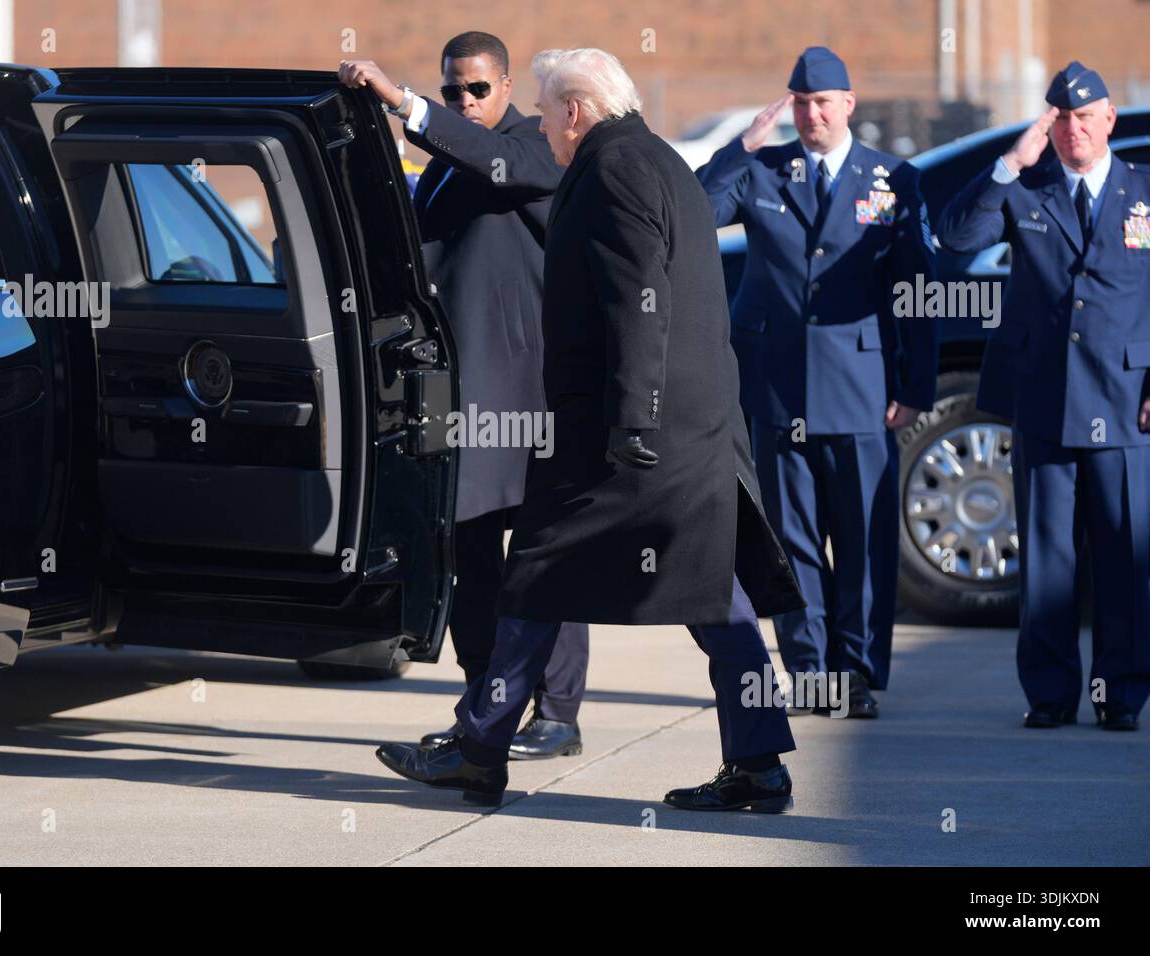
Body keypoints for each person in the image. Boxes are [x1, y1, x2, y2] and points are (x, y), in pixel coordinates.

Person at [375, 47, 805, 810]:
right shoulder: (653, 156)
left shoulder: (615, 168)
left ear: (575, 110)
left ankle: (480, 749)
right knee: (707, 596)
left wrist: (632, 421)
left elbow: (638, 299)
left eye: (544, 110)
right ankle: (758, 763)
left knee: (539, 573)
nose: (542, 124)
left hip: (632, 435)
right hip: (682, 427)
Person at [338, 32, 589, 760]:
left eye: (478, 89)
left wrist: (406, 106)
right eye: (453, 91)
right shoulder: (448, 161)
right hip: (463, 397)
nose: (466, 103)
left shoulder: (533, 146)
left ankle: (558, 713)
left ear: (507, 86)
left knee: (544, 557)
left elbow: (500, 164)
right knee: (468, 556)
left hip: (530, 397)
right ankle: (484, 708)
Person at [696, 47, 938, 718]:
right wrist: (738, 149)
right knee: (793, 541)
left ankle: (856, 671)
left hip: (862, 387)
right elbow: (694, 212)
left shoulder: (892, 179)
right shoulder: (763, 170)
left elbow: (916, 288)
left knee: (863, 537)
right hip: (779, 389)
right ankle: (809, 671)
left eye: (823, 103)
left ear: (849, 105)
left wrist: (915, 382)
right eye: (800, 103)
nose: (810, 114)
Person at [938, 61, 1150, 731]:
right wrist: (1009, 162)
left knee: (1123, 554)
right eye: (1061, 119)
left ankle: (1120, 693)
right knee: (1049, 556)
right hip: (1046, 395)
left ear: (1109, 120)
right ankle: (1052, 694)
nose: (1073, 131)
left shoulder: (1144, 193)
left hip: (1123, 398)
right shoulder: (1025, 191)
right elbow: (957, 237)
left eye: (1085, 118)